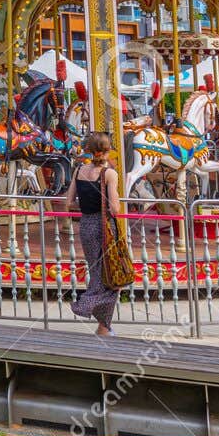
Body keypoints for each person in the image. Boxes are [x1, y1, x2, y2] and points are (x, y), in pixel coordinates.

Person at [63, 131, 124, 337]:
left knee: (98, 272)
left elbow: (69, 202)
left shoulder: (79, 170)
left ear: (89, 149)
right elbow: (115, 208)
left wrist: (86, 204)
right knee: (113, 276)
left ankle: (104, 327)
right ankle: (85, 303)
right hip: (104, 226)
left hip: (86, 224)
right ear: (107, 150)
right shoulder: (109, 174)